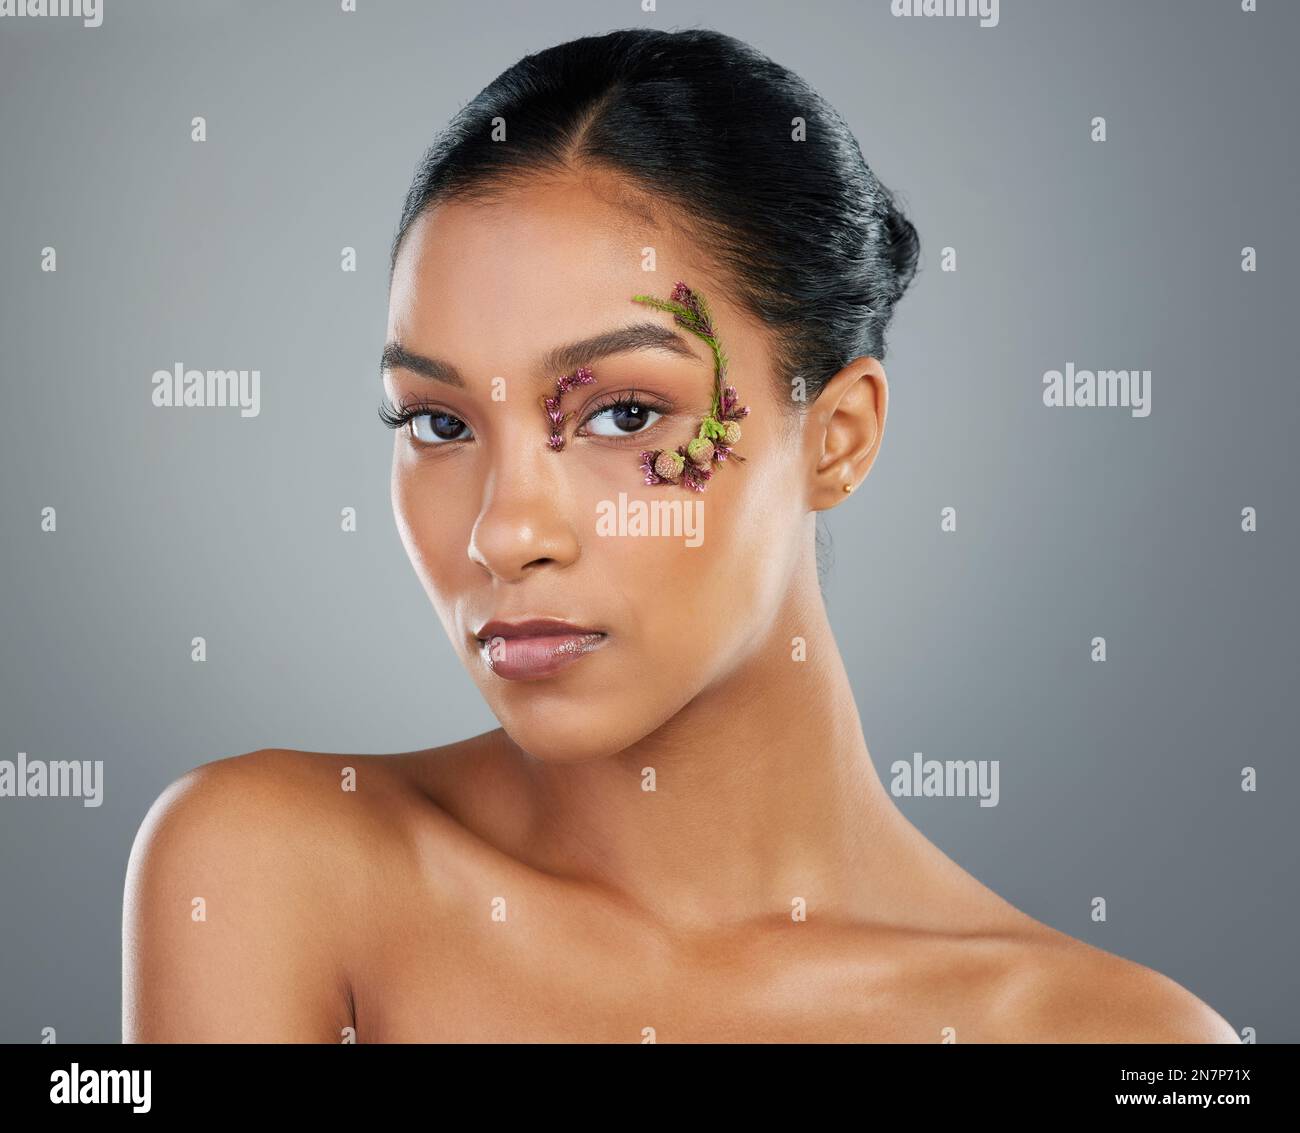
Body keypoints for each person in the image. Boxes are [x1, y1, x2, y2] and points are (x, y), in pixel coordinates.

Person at [122, 27, 1238, 1043]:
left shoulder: (1115, 1040)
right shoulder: (270, 866)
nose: (506, 532)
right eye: (440, 421)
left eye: (622, 412)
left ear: (836, 437)